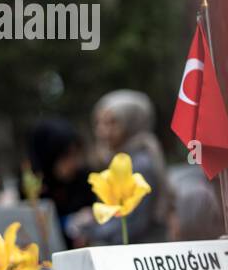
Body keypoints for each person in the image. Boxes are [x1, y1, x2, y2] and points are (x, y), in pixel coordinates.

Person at [67, 89, 170, 246]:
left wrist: (90, 229)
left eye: (112, 123)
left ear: (132, 123)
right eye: (99, 123)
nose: (102, 131)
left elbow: (132, 224)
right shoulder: (123, 157)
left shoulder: (141, 163)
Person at [22, 118, 93, 246]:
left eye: (75, 154)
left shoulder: (83, 179)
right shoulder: (31, 184)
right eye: (66, 156)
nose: (73, 163)